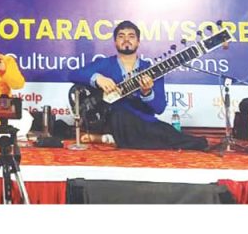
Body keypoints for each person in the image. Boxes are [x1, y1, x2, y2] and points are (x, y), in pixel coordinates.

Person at [68, 20, 208, 150]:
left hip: (143, 123)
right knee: (120, 115)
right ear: (115, 42)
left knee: (166, 131)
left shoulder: (152, 70)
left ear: (138, 42)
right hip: (113, 120)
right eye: (121, 36)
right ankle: (113, 138)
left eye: (131, 36)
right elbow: (73, 74)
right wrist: (98, 78)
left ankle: (110, 139)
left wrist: (147, 93)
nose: (126, 39)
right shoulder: (105, 64)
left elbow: (159, 108)